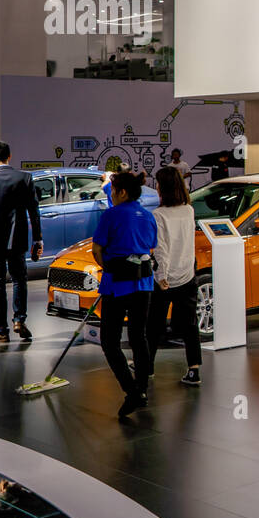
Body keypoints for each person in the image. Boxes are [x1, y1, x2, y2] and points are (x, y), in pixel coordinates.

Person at [92, 171, 158, 418]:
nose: (111, 194)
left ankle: (132, 391)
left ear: (122, 192)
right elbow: (150, 245)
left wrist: (107, 266)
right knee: (138, 337)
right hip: (143, 282)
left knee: (109, 341)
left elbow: (97, 249)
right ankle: (141, 389)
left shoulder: (111, 215)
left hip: (116, 283)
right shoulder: (148, 215)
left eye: (114, 189)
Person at [0, 141, 42, 343]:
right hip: (17, 238)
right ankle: (19, 320)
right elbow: (34, 212)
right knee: (20, 280)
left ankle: (1, 330)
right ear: (9, 157)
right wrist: (37, 238)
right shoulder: (25, 178)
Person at [146, 166, 202, 386]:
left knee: (153, 324)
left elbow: (161, 249)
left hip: (166, 279)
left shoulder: (158, 215)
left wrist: (161, 276)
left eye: (158, 183)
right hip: (187, 275)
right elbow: (187, 244)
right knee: (190, 325)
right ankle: (194, 369)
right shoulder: (189, 210)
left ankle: (147, 366)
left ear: (164, 187)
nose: (156, 186)